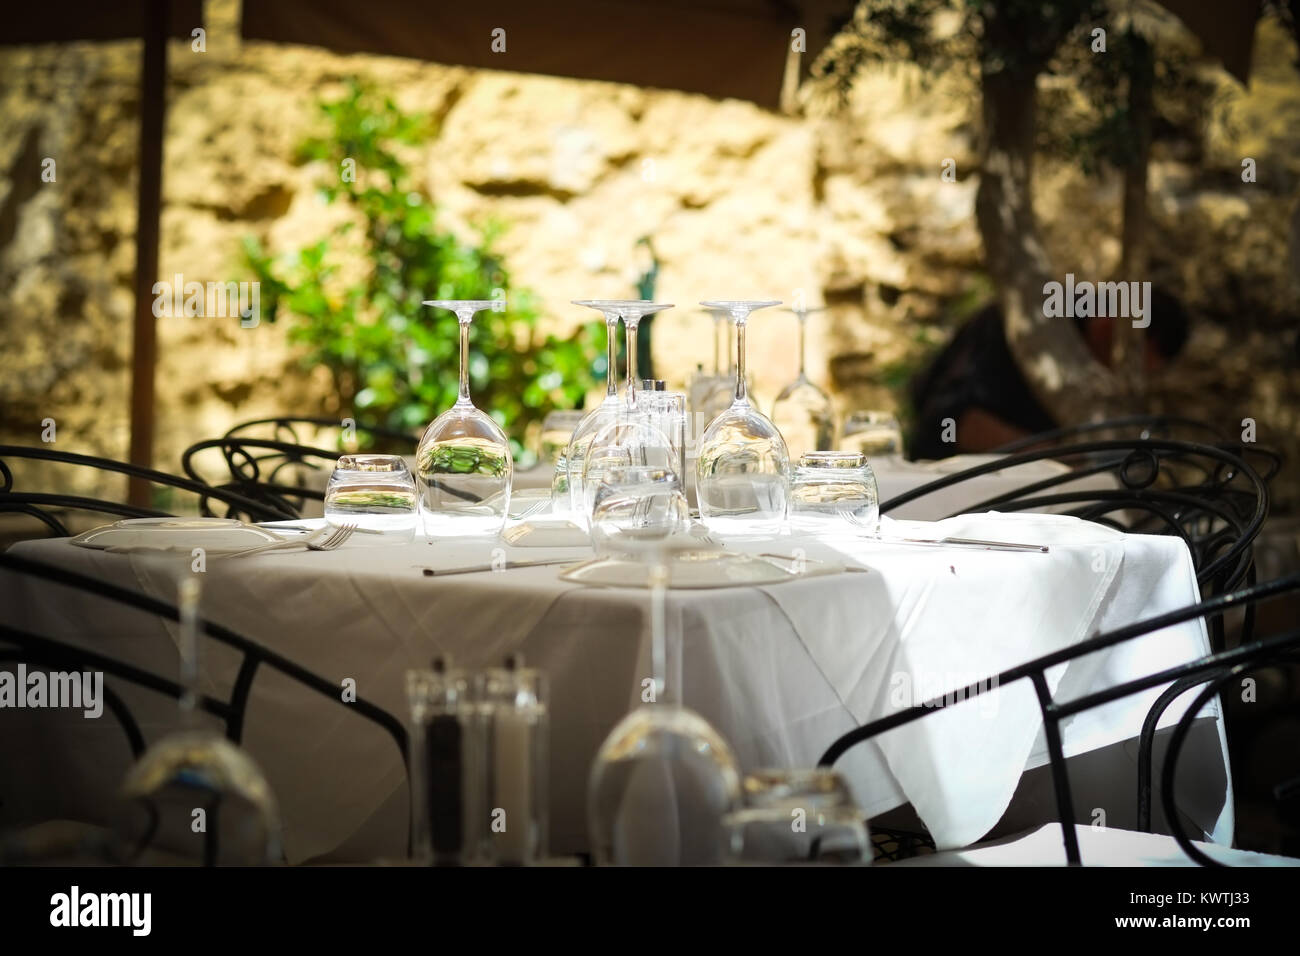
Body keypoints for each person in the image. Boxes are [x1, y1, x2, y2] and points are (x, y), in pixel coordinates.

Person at [907, 289, 1190, 460]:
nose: (1123, 377)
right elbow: (948, 419)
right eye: (1130, 364)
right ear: (1113, 325)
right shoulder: (1026, 323)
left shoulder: (1086, 354)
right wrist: (1051, 457)